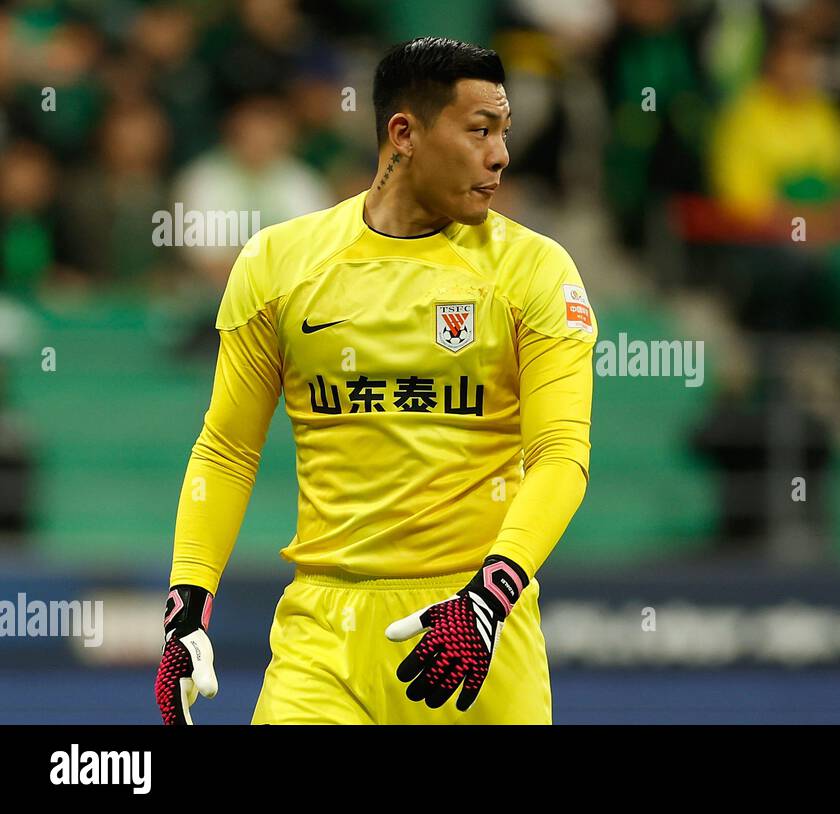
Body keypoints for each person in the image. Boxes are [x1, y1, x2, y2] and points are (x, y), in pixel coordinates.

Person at [154, 37, 597, 724]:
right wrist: (185, 608)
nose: (501, 154)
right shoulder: (278, 263)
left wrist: (489, 594)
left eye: (504, 132)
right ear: (404, 134)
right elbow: (228, 450)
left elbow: (561, 456)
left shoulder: (536, 271)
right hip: (322, 637)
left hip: (475, 632)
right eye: (480, 130)